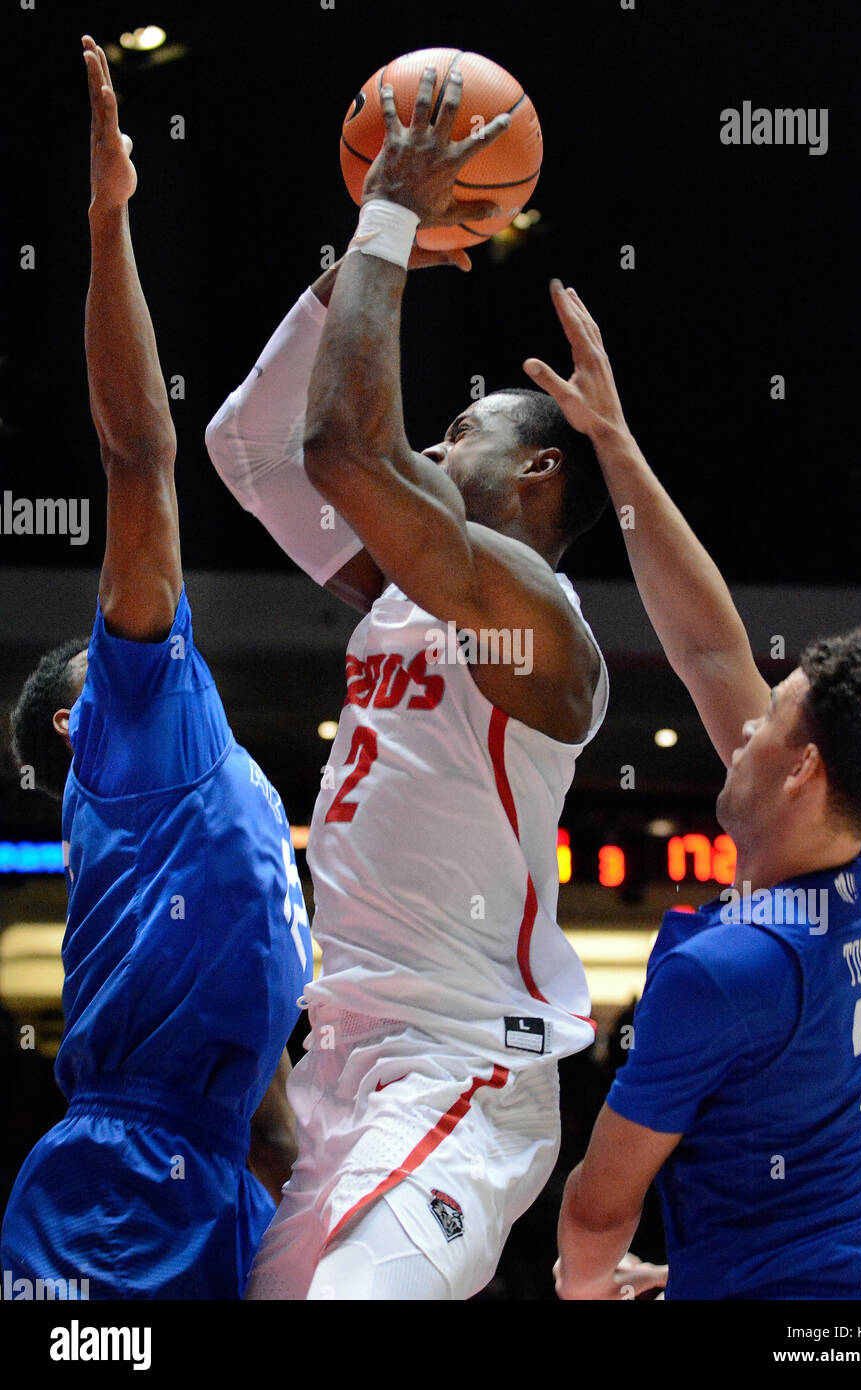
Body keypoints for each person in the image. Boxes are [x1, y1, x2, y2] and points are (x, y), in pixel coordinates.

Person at [206, 68, 609, 1300]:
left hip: (462, 1067)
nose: (434, 447)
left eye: (459, 436)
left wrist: (388, 216)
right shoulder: (399, 585)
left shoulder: (532, 618)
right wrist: (352, 278)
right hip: (338, 1066)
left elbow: (343, 447)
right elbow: (248, 446)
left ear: (537, 469)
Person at [525, 280, 861, 1300]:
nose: (749, 719)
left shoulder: (726, 971)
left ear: (803, 767)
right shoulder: (859, 874)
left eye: (773, 717)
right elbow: (708, 644)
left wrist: (581, 1287)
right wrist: (615, 442)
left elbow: (597, 1202)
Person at [0, 37, 309, 1299]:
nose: (152, 640)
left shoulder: (214, 793)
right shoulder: (133, 734)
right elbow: (139, 454)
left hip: (218, 1184)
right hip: (106, 1196)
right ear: (83, 720)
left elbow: (277, 1115)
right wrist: (110, 221)